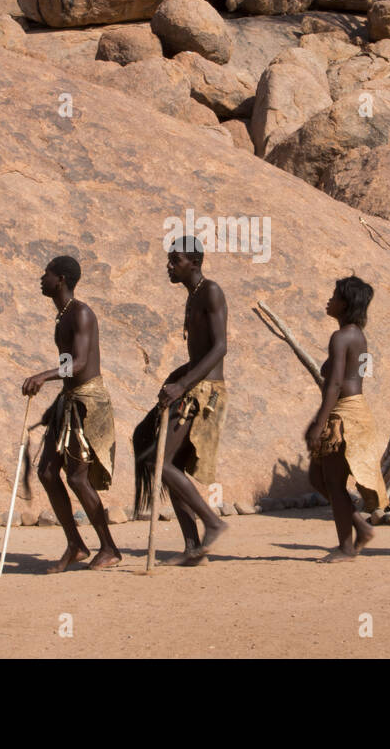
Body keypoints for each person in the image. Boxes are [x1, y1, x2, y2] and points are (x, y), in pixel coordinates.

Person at [22, 255, 121, 572]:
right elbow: (71, 369)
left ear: (61, 279)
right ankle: (76, 545)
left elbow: (78, 364)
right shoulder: (62, 315)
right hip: (69, 401)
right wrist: (55, 404)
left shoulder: (80, 313)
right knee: (48, 472)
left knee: (77, 477)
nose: (42, 278)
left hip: (87, 403)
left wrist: (42, 376)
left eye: (46, 273)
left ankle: (109, 548)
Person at [139, 236, 229, 567]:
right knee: (168, 465)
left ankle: (214, 522)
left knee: (159, 464)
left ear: (194, 262)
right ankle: (193, 547)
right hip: (195, 385)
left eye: (175, 260)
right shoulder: (193, 296)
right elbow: (200, 354)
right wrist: (174, 380)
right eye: (169, 259)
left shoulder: (211, 291)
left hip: (206, 392)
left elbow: (220, 348)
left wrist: (183, 386)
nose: (169, 266)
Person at [305, 276, 386, 562]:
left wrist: (319, 422)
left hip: (345, 414)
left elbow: (336, 384)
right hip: (350, 410)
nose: (330, 300)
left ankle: (346, 547)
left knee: (334, 483)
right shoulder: (355, 335)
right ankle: (361, 528)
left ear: (346, 303)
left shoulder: (342, 337)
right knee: (317, 477)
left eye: (335, 296)